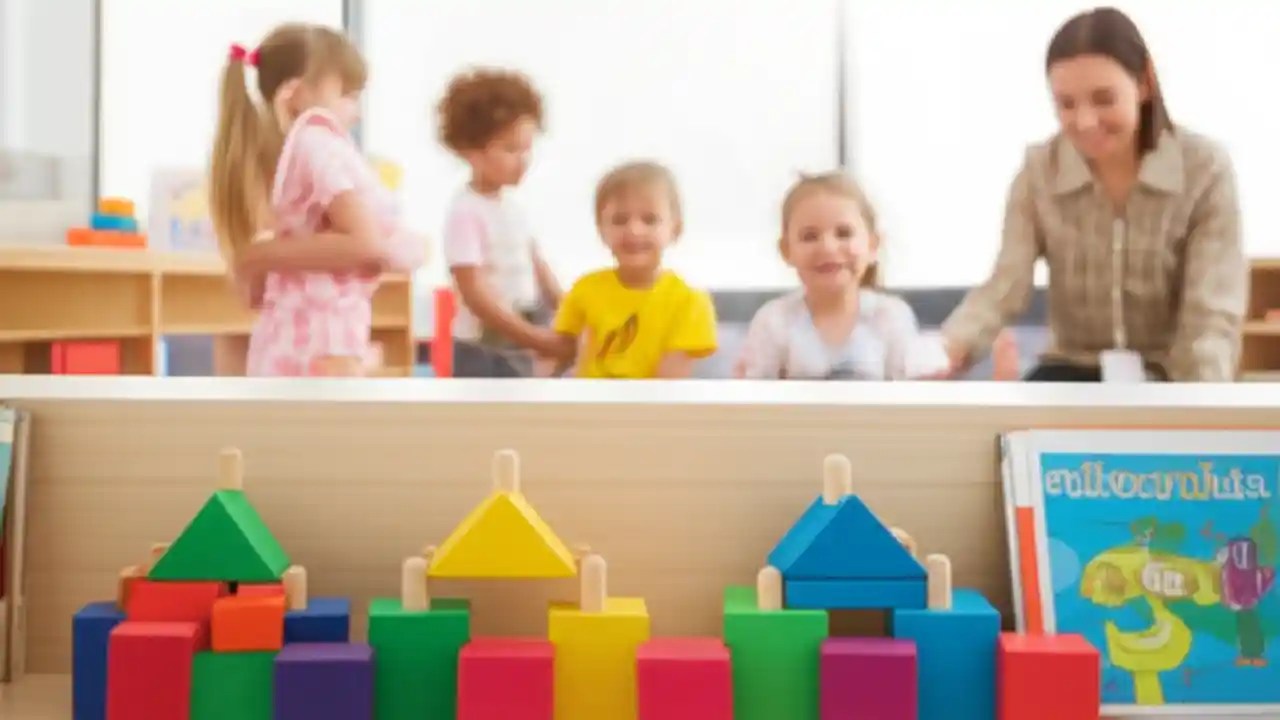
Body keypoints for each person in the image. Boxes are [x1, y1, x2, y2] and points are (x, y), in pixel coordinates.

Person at [939, 6, 1246, 382]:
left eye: (1104, 99)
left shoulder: (1205, 169)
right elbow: (1005, 287)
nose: (1084, 121)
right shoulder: (1039, 170)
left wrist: (1198, 410)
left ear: (1144, 83)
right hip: (1069, 372)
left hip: (1169, 377)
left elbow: (1210, 318)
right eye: (1066, 104)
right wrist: (946, 353)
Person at [209, 23, 425, 377]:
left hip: (294, 346)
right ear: (296, 94)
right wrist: (261, 257)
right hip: (319, 345)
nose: (356, 112)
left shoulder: (290, 155)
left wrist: (261, 256)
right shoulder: (317, 143)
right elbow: (366, 244)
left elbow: (255, 295)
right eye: (347, 94)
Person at [733, 173, 930, 380]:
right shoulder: (773, 321)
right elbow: (756, 404)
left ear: (872, 245)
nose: (827, 247)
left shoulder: (890, 317)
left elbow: (907, 402)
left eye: (843, 233)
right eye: (809, 236)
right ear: (786, 250)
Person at [437, 68, 567, 377]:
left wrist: (568, 308)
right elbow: (474, 292)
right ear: (471, 152)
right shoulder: (466, 211)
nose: (523, 160)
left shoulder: (512, 207)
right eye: (510, 149)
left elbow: (537, 264)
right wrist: (534, 338)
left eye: (527, 149)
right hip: (485, 347)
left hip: (521, 331)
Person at [552, 161, 718, 378]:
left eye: (649, 220)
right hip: (589, 408)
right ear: (601, 230)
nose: (634, 230)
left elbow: (669, 387)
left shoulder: (690, 302)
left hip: (651, 410)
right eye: (619, 220)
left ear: (675, 229)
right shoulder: (584, 289)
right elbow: (554, 359)